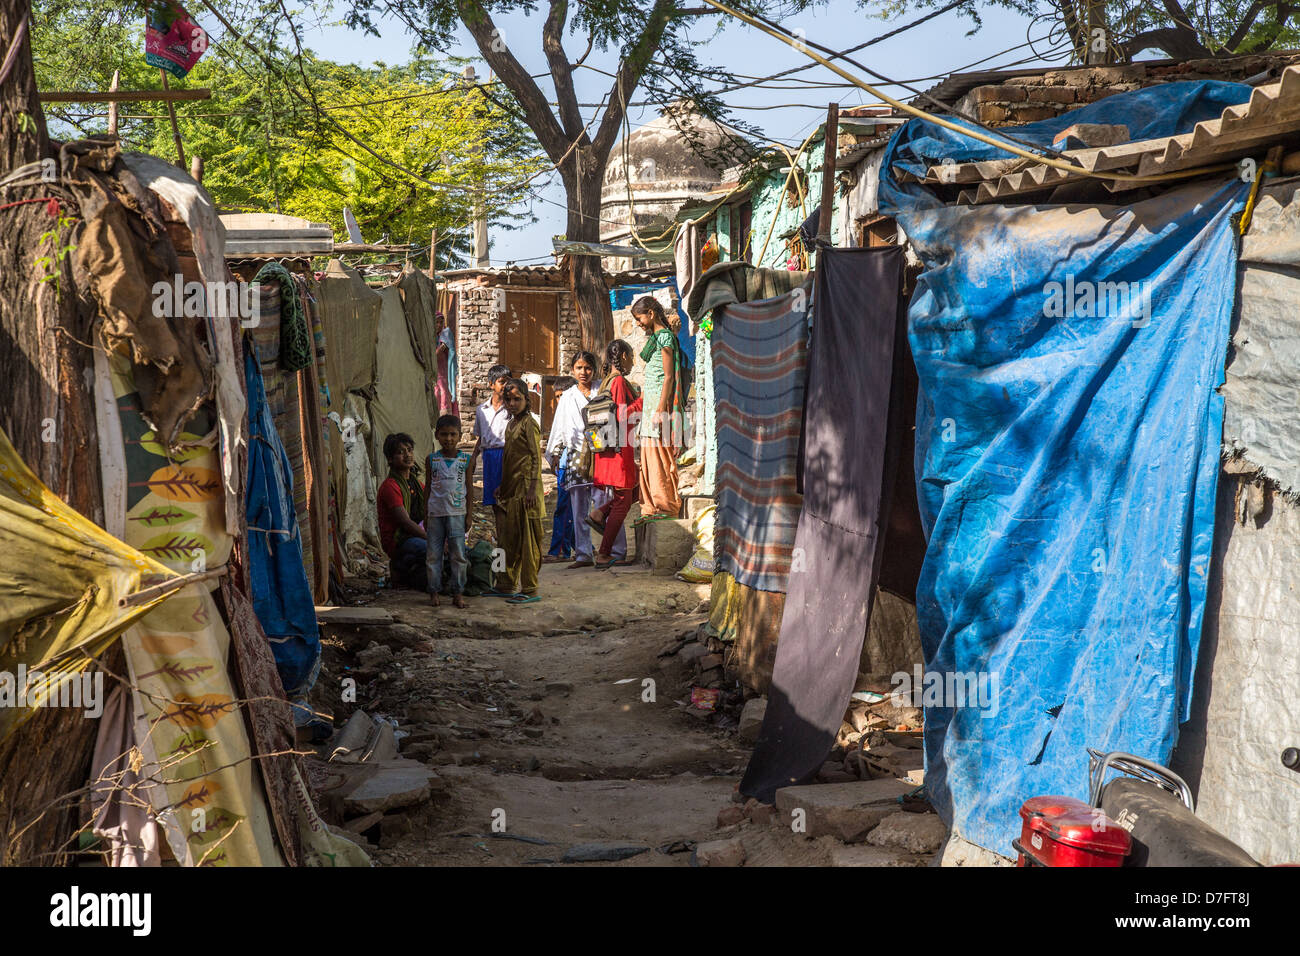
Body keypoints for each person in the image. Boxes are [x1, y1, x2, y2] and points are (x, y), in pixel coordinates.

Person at [631, 295, 686, 522]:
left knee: (659, 460)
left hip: (658, 408)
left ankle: (665, 505)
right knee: (648, 460)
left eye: (639, 318)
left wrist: (661, 410)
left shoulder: (664, 337)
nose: (638, 323)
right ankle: (651, 507)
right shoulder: (657, 337)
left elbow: (669, 377)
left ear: (651, 313)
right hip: (651, 406)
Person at [588, 339, 642, 569]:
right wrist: (641, 402)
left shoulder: (607, 381)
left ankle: (600, 514)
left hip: (609, 449)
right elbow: (621, 416)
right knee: (623, 500)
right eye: (631, 356)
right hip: (618, 449)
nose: (633, 361)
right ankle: (603, 554)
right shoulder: (618, 381)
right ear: (622, 357)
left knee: (636, 489)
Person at [495, 378, 545, 603]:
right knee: (507, 539)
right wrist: (502, 486)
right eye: (509, 399)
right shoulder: (511, 424)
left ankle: (530, 589)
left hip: (527, 491)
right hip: (512, 490)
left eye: (517, 399)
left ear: (527, 400)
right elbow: (510, 458)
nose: (513, 403)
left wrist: (533, 489)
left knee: (528, 541)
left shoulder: (529, 424)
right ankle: (505, 584)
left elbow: (536, 457)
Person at [546, 359, 599, 567]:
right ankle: (583, 552)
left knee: (605, 500)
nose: (584, 372)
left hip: (602, 451)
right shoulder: (568, 397)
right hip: (576, 453)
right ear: (572, 370)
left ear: (593, 369)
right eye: (579, 368)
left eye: (587, 367)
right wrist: (555, 452)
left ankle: (611, 550)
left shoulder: (601, 389)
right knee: (576, 506)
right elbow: (559, 426)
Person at [425, 414, 474, 608]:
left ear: (460, 436)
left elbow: (469, 489)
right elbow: (428, 488)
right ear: (437, 435)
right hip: (435, 513)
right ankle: (434, 591)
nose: (449, 439)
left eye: (453, 434)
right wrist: (425, 513)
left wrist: (469, 514)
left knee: (458, 555)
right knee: (433, 555)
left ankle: (458, 592)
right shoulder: (431, 460)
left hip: (457, 514)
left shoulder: (465, 461)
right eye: (444, 434)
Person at [376, 432, 426, 587]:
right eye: (400, 452)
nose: (407, 455)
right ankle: (400, 566)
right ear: (390, 459)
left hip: (417, 533)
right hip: (399, 540)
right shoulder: (390, 486)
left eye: (409, 450)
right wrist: (433, 539)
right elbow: (405, 522)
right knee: (432, 550)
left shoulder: (416, 484)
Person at [471, 364, 512, 540]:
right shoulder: (482, 410)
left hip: (507, 456)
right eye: (502, 382)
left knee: (508, 500)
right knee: (495, 503)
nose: (505, 386)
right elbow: (481, 438)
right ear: (491, 384)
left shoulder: (513, 409)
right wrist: (473, 457)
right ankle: (501, 542)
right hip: (489, 458)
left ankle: (509, 543)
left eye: (508, 382)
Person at [543, 374, 579, 564]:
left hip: (574, 457)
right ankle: (582, 547)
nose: (560, 401)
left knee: (566, 506)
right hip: (566, 456)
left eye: (561, 396)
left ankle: (559, 550)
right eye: (557, 397)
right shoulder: (564, 410)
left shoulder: (575, 406)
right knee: (569, 505)